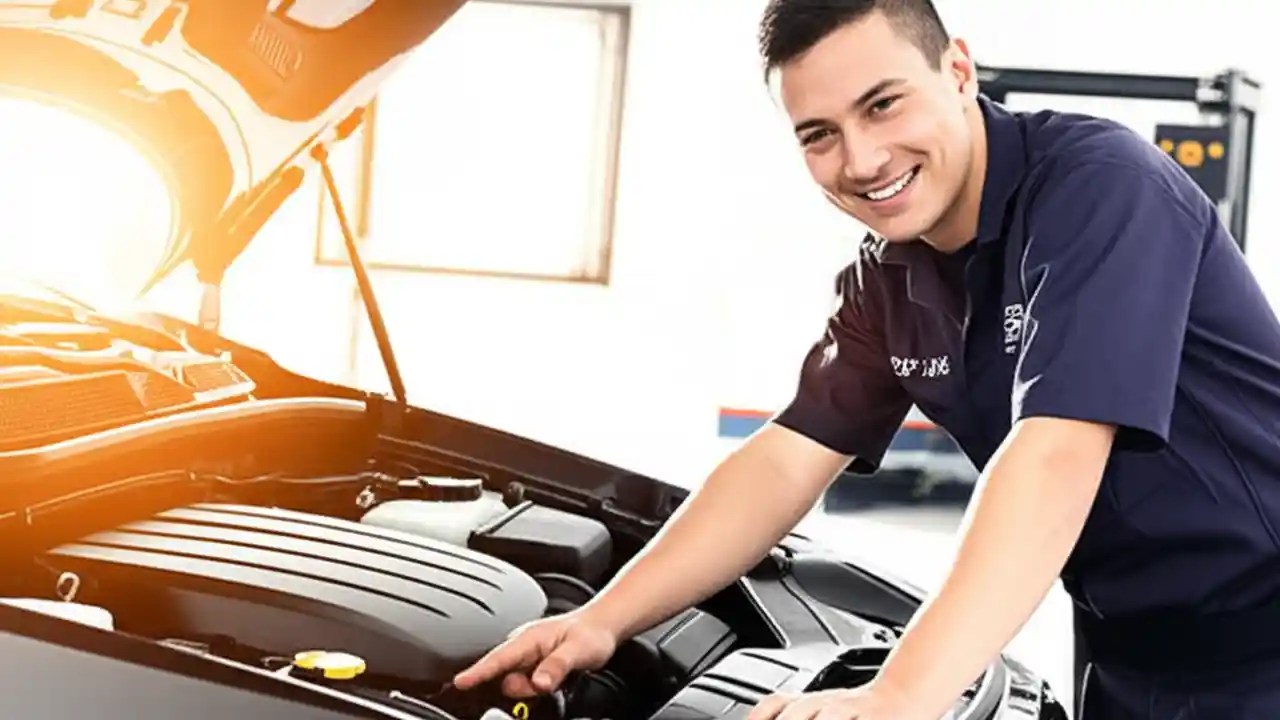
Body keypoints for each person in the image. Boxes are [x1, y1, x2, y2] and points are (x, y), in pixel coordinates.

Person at [454, 0, 1280, 717]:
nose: (861, 160)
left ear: (958, 70)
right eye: (820, 135)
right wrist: (604, 617)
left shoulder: (1099, 189)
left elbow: (1056, 455)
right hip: (1127, 647)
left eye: (883, 105)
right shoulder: (886, 276)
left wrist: (902, 695)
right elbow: (785, 458)